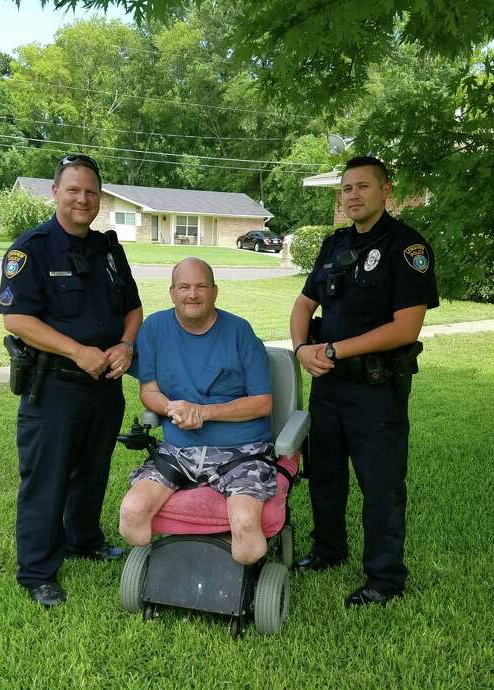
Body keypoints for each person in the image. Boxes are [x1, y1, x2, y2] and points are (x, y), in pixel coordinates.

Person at [289, 156, 439, 607]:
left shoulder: (407, 248)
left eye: (362, 187)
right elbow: (303, 305)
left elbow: (405, 328)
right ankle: (329, 550)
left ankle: (385, 577)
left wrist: (333, 350)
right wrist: (301, 349)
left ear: (385, 190)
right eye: (346, 189)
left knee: (381, 483)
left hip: (377, 390)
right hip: (328, 387)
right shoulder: (334, 244)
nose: (352, 196)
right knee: (325, 475)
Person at [0, 154, 143, 608]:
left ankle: (84, 539)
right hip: (55, 387)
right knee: (47, 478)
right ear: (55, 193)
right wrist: (77, 351)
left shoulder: (108, 249)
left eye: (91, 191)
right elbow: (16, 319)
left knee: (93, 470)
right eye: (74, 190)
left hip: (105, 386)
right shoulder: (32, 249)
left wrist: (126, 346)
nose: (83, 198)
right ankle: (38, 571)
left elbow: (133, 309)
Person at [119, 258, 276, 565]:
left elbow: (262, 403)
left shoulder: (240, 331)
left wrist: (203, 412)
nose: (192, 294)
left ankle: (238, 579)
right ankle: (171, 568)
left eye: (201, 286)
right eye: (184, 287)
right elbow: (148, 391)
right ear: (172, 292)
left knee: (244, 523)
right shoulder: (154, 328)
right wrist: (172, 408)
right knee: (131, 514)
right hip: (179, 450)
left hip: (242, 450)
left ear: (215, 291)